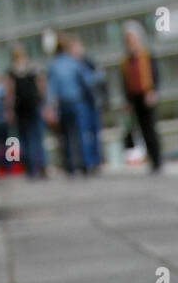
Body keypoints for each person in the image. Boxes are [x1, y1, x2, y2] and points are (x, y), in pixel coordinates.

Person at [119, 20, 162, 173]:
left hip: (146, 95)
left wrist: (153, 91)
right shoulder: (125, 61)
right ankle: (151, 159)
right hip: (134, 98)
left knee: (150, 129)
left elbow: (155, 75)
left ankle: (157, 160)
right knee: (142, 130)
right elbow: (124, 82)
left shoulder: (147, 56)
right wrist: (127, 101)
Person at [46, 34, 90, 175]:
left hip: (63, 104)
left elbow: (51, 88)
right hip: (76, 101)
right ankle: (84, 164)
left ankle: (70, 166)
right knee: (80, 133)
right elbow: (85, 80)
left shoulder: (54, 65)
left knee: (66, 136)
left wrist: (50, 107)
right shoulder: (73, 62)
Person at [7, 46, 47, 179]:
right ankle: (41, 165)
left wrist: (9, 110)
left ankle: (30, 169)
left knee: (24, 138)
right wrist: (42, 102)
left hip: (20, 108)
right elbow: (41, 85)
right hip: (33, 105)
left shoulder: (11, 71)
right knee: (37, 137)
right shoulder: (32, 67)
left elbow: (10, 93)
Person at [69, 35, 105, 172]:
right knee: (83, 134)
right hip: (80, 102)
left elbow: (100, 77)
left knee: (95, 132)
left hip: (93, 101)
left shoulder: (89, 62)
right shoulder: (72, 66)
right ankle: (86, 162)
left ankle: (96, 161)